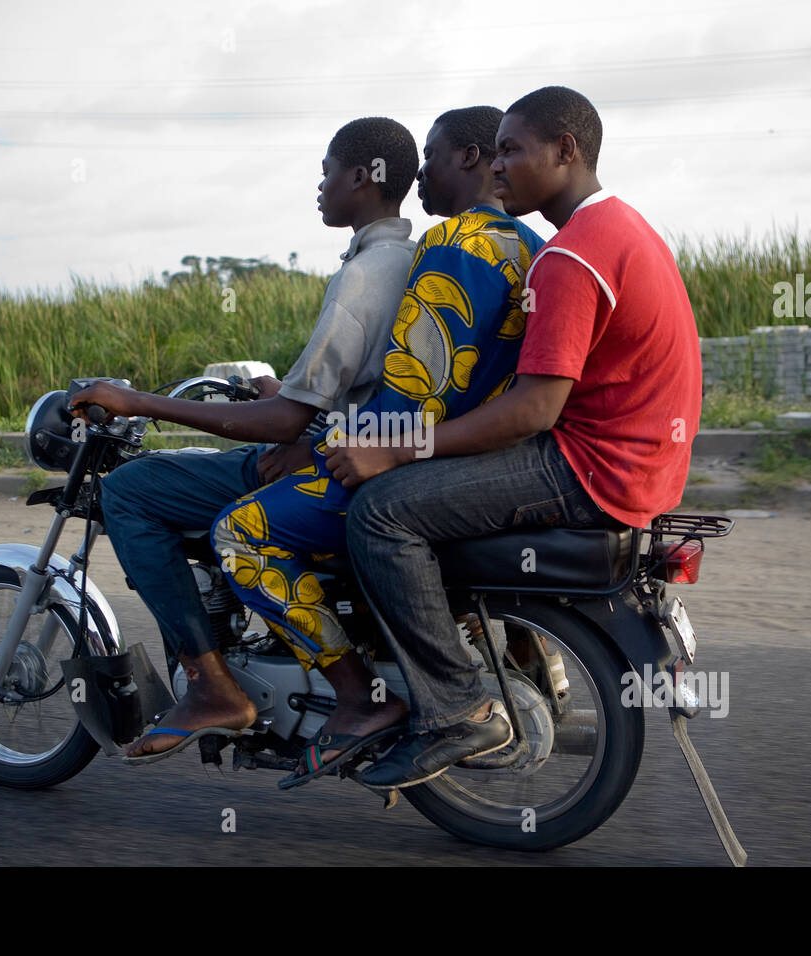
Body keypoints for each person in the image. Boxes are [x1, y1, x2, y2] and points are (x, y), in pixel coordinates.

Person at [331, 86, 704, 789]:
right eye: (494, 150)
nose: (498, 167)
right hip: (642, 462)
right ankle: (521, 655)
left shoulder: (571, 258)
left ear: (566, 151)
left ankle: (454, 710)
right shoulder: (624, 226)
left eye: (512, 150)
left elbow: (533, 411)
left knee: (381, 512)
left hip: (590, 467)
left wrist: (393, 446)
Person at [210, 106, 544, 786]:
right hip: (477, 460)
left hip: (410, 463)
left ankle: (359, 699)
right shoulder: (529, 246)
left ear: (474, 160)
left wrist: (337, 443)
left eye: (433, 156)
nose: (419, 173)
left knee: (238, 535)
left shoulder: (456, 245)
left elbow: (418, 389)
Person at [67, 117, 420, 761]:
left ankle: (211, 686)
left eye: (327, 170)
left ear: (364, 177)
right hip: (360, 442)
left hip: (332, 458)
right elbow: (348, 388)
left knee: (131, 491)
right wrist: (286, 399)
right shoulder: (411, 258)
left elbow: (286, 422)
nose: (319, 185)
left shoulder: (366, 273)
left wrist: (138, 400)